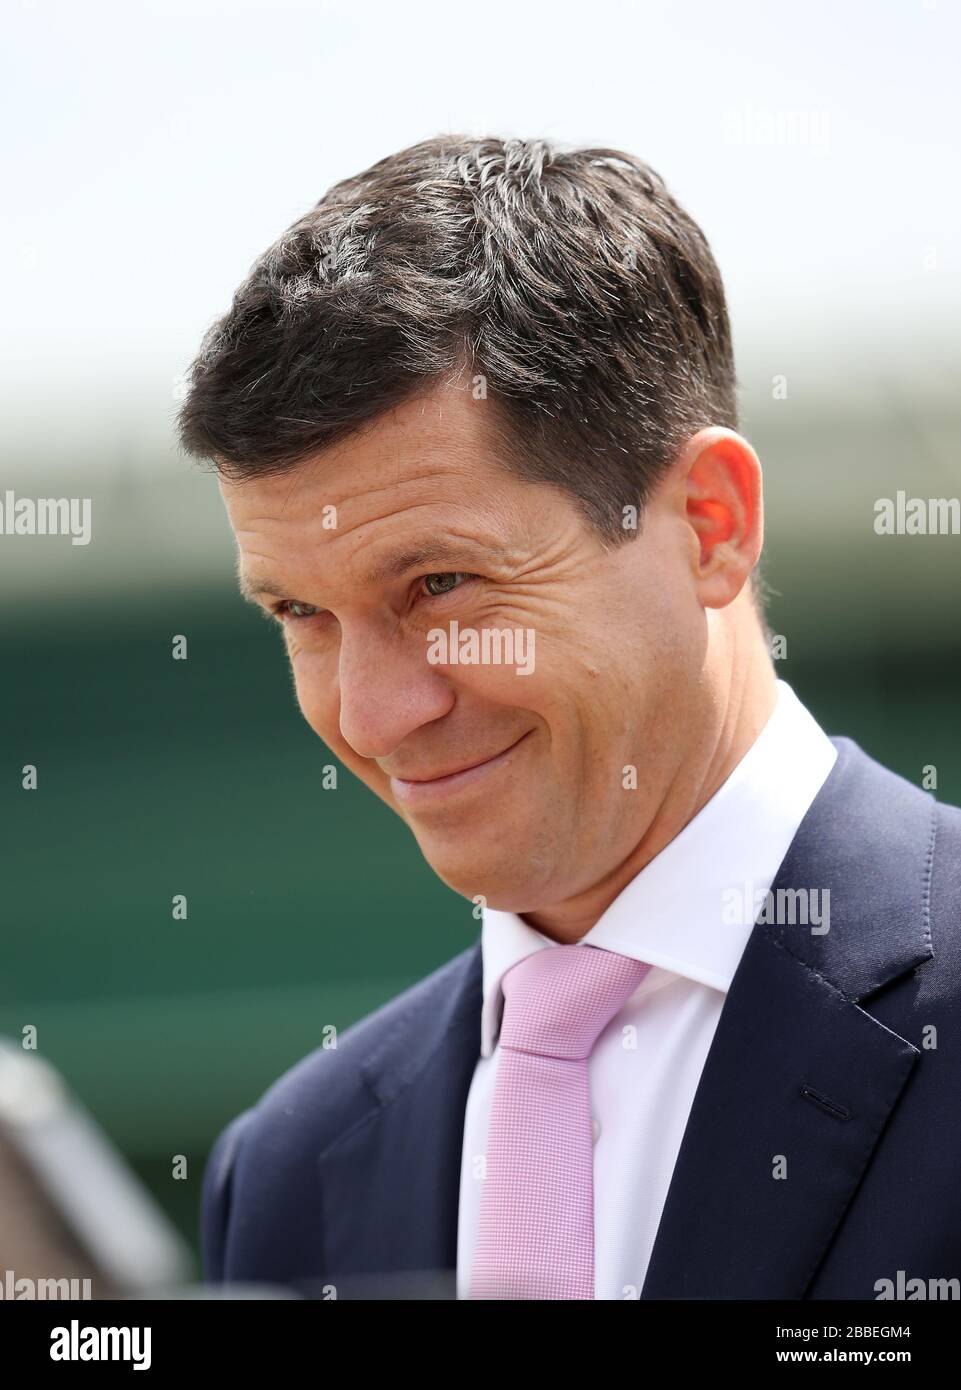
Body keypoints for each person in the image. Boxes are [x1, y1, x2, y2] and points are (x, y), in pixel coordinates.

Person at [177, 136, 961, 1300]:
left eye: (440, 584)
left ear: (710, 522)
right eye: (301, 612)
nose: (373, 713)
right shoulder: (289, 1176)